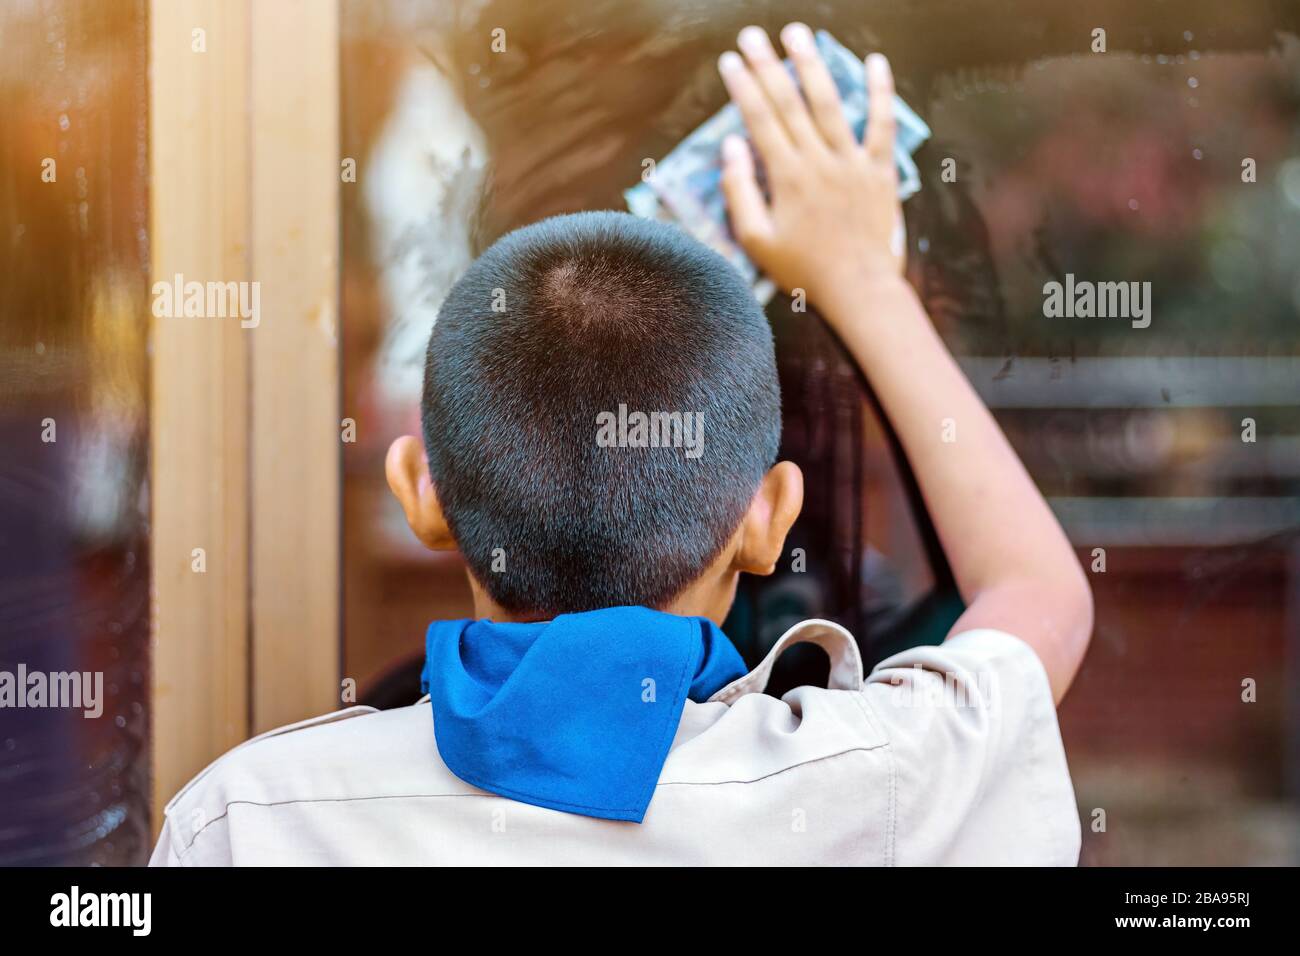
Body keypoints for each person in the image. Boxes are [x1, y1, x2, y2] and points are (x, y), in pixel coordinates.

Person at [150, 22, 1091, 866]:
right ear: (769, 516)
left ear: (421, 491)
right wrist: (859, 279)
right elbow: (1038, 593)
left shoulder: (248, 821)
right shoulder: (881, 786)